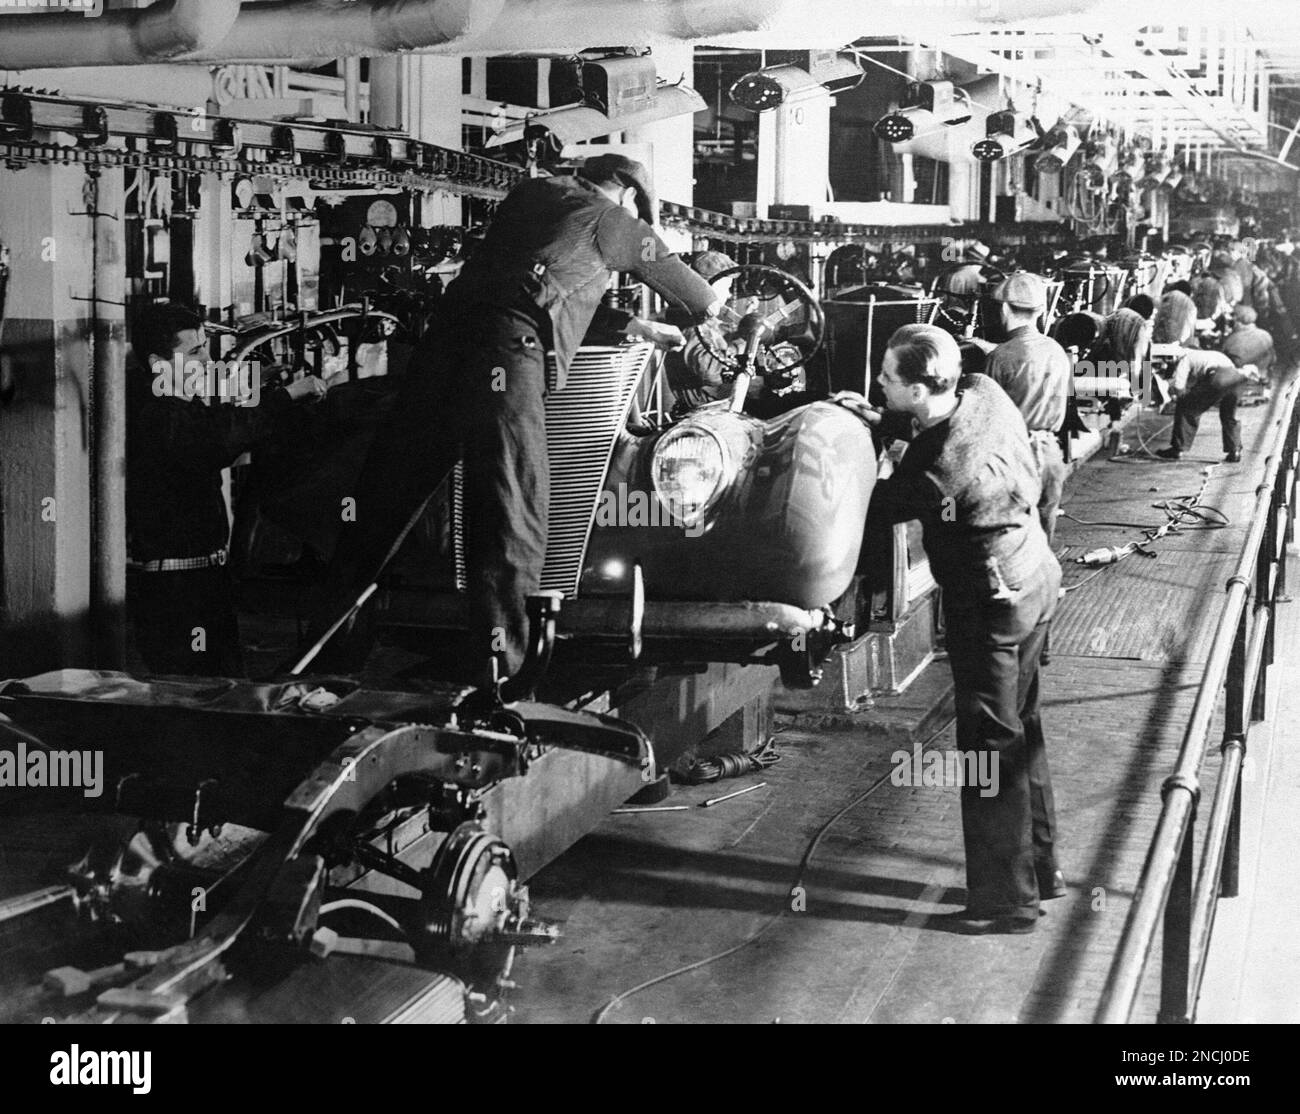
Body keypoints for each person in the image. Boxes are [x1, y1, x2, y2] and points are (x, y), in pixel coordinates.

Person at [300, 153, 721, 682]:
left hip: (441, 352)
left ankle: (325, 655)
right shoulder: (613, 218)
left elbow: (533, 286)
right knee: (511, 506)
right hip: (504, 360)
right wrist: (730, 316)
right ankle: (501, 676)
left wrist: (631, 325)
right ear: (629, 194)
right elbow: (695, 295)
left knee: (385, 501)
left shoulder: (530, 198)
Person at [840, 325, 1064, 934]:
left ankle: (1004, 903)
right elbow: (940, 424)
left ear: (917, 387)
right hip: (1038, 575)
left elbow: (878, 505)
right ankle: (1040, 872)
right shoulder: (985, 388)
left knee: (988, 747)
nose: (878, 383)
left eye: (887, 380)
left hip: (992, 600)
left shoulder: (938, 474)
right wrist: (883, 418)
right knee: (1024, 725)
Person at [127, 304, 329, 676]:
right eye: (193, 352)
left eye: (205, 346)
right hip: (175, 589)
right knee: (194, 692)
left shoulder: (180, 405)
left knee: (222, 684)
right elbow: (216, 440)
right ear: (159, 364)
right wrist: (287, 396)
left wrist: (266, 392)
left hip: (202, 578)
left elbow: (222, 424)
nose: (207, 359)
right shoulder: (157, 414)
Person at [984, 273, 1070, 545]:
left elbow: (988, 417)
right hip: (1051, 453)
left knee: (1013, 534)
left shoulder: (1001, 356)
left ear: (1005, 309)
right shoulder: (1057, 350)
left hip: (1016, 456)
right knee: (1044, 527)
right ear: (1040, 311)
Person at [1152, 292, 1264, 463]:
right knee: (1229, 415)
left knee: (1187, 408)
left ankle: (1177, 449)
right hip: (1236, 378)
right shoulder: (1208, 355)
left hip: (1218, 377)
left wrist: (1170, 395)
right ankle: (1235, 451)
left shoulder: (1185, 357)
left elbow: (1180, 387)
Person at [1221, 304, 1277, 402]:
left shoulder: (1231, 339)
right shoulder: (1266, 335)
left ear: (1238, 321)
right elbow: (1273, 359)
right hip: (1261, 375)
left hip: (1239, 378)